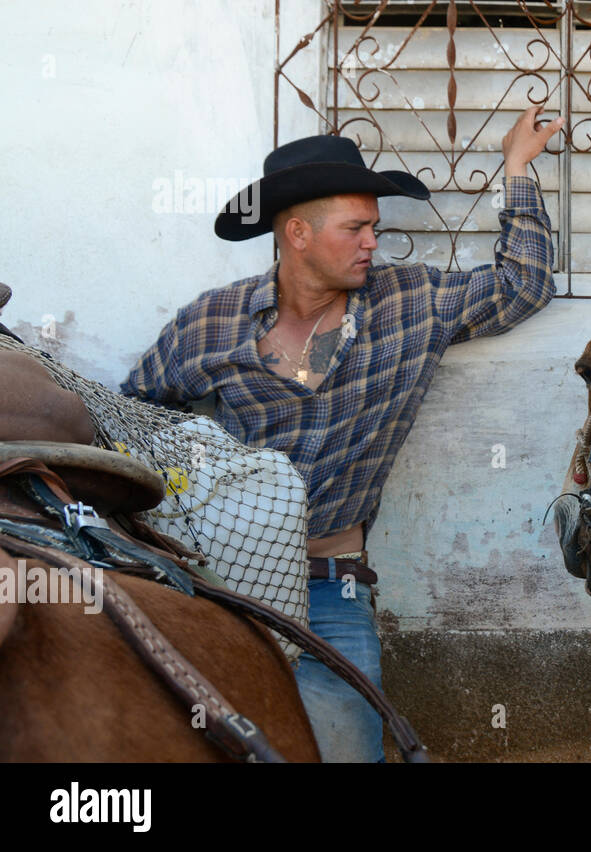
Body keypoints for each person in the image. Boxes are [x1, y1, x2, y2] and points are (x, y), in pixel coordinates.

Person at [122, 107, 563, 761]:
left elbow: (523, 286)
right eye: (355, 228)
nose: (371, 243)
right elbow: (132, 424)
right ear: (297, 232)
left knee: (350, 753)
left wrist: (518, 168)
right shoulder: (209, 323)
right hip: (219, 586)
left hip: (334, 586)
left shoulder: (412, 304)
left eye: (374, 228)